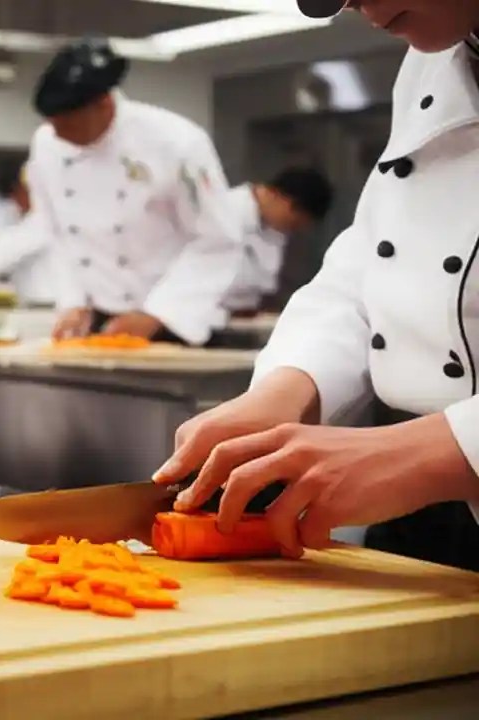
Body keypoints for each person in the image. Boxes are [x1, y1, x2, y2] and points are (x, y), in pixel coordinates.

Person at [154, 0, 479, 572]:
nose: (356, 5)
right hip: (420, 514)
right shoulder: (429, 63)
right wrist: (285, 390)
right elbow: (372, 266)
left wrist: (444, 451)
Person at [31, 39, 242, 346]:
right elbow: (55, 232)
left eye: (68, 124)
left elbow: (217, 240)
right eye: (52, 124)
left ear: (103, 103)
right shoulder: (47, 144)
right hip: (97, 321)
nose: (59, 134)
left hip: (171, 320)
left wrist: (157, 315)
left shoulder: (177, 143)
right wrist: (72, 300)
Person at [222, 168, 335, 314]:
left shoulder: (276, 229)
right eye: (294, 224)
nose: (292, 230)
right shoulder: (224, 213)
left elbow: (265, 286)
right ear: (282, 199)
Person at [0, 161, 59, 306]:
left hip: (46, 307)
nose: (14, 201)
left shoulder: (44, 220)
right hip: (41, 306)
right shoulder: (37, 220)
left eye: (15, 193)